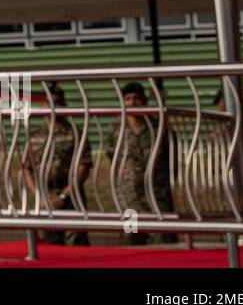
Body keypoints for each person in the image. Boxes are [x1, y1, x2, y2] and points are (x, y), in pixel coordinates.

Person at [105, 81, 175, 245]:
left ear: (144, 101)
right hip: (129, 199)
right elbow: (111, 158)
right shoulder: (116, 129)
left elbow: (172, 159)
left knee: (163, 244)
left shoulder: (159, 127)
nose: (132, 103)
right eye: (128, 99)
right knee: (132, 245)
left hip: (157, 198)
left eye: (137, 98)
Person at [23, 83, 91, 246]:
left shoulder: (75, 133)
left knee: (76, 250)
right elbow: (26, 168)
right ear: (42, 105)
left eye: (57, 103)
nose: (53, 107)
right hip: (44, 201)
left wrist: (63, 196)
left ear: (64, 106)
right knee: (48, 250)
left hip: (70, 200)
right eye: (48, 102)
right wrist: (39, 196)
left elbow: (83, 167)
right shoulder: (34, 134)